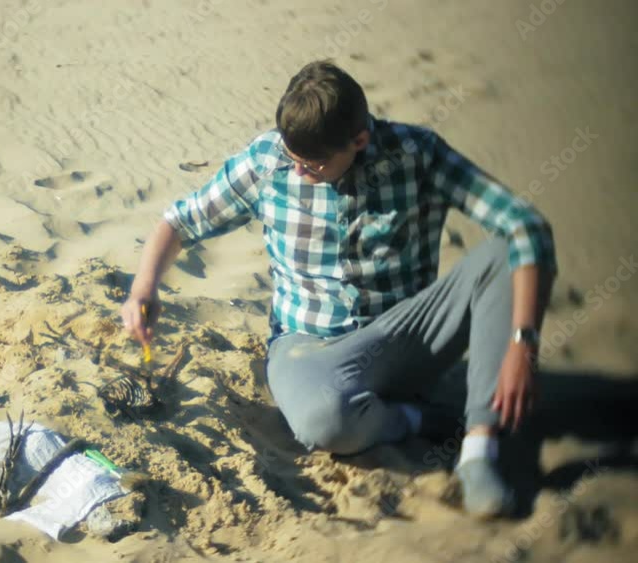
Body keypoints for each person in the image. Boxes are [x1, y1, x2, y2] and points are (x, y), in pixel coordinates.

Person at [120, 60, 556, 519]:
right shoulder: (269, 161)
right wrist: (143, 289)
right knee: (323, 422)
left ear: (359, 140)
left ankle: (478, 453)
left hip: (405, 337)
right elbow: (178, 221)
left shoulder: (418, 153)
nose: (299, 171)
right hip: (308, 348)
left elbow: (525, 226)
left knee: (500, 260)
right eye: (293, 160)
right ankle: (417, 419)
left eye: (312, 164)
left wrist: (522, 343)